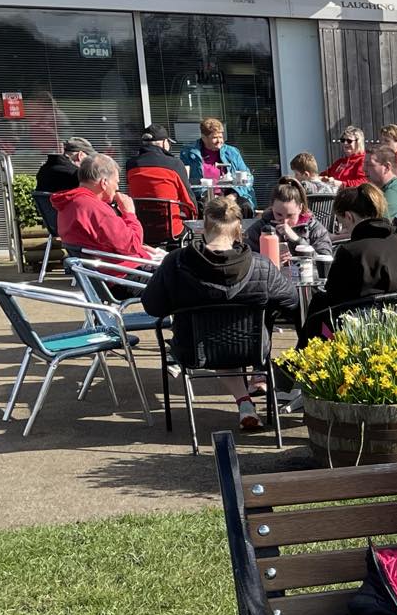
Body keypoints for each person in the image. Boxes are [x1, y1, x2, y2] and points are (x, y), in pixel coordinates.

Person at [139, 193, 299, 432]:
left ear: (204, 227)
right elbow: (292, 302)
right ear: (238, 231)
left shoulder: (176, 262)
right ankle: (247, 401)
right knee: (229, 336)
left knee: (213, 336)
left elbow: (152, 306)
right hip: (252, 348)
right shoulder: (261, 266)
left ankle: (244, 402)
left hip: (195, 348)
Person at [319, 182, 397, 330]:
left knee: (318, 303)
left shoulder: (350, 251)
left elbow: (334, 296)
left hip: (365, 330)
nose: (343, 230)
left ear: (349, 216)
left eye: (343, 225)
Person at [49, 153, 155, 261]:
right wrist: (129, 213)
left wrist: (141, 249)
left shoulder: (70, 203)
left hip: (95, 267)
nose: (117, 187)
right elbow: (132, 245)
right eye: (116, 182)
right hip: (120, 269)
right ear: (104, 182)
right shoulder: (95, 209)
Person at [125, 127, 197, 242]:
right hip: (171, 230)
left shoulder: (131, 165)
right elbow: (188, 199)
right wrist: (194, 216)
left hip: (141, 230)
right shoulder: (174, 164)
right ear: (164, 143)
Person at [247, 178, 333, 259]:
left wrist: (297, 241)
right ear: (272, 207)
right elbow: (246, 258)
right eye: (279, 214)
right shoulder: (260, 228)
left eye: (290, 215)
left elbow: (325, 261)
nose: (285, 221)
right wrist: (269, 260)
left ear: (300, 208)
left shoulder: (314, 228)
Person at [179, 116, 255, 208]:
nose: (219, 141)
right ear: (204, 137)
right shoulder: (188, 154)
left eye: (221, 137)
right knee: (204, 207)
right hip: (204, 196)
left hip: (231, 195)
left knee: (245, 207)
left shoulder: (233, 152)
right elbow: (185, 180)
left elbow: (248, 177)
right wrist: (208, 196)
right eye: (215, 137)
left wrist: (234, 194)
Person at [364, 143, 397, 219]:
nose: (364, 169)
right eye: (364, 164)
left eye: (369, 165)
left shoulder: (395, 192)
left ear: (386, 167)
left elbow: (375, 222)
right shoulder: (382, 189)